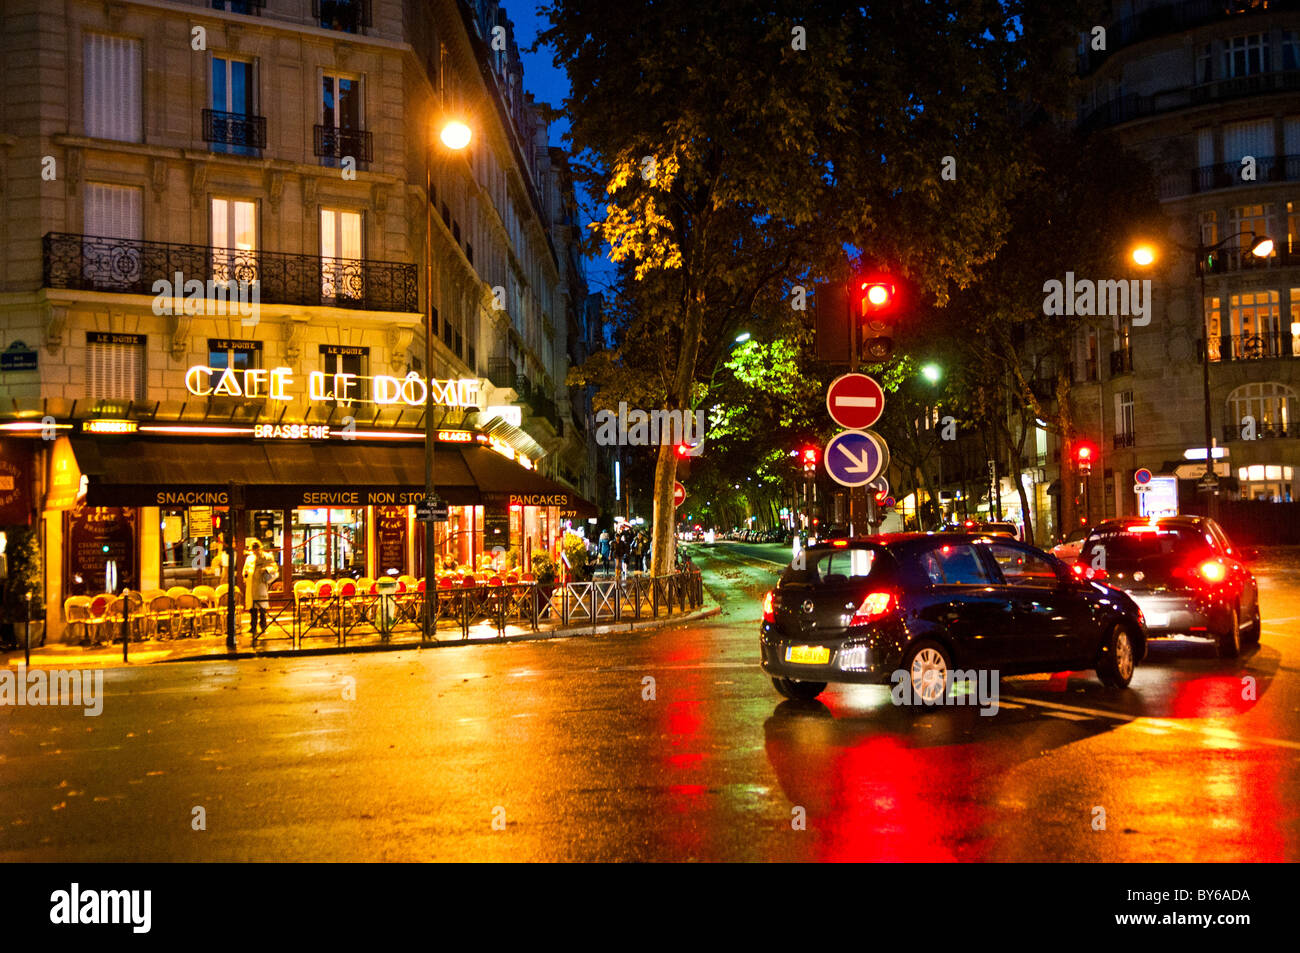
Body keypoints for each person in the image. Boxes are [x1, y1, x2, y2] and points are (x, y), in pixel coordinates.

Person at [241, 540, 278, 641]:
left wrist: (265, 570)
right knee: (252, 608)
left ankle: (263, 626)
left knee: (262, 607)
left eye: (256, 549)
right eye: (253, 550)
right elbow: (246, 568)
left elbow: (273, 568)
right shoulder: (249, 558)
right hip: (251, 584)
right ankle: (253, 627)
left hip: (261, 584)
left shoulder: (267, 557)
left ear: (260, 548)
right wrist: (245, 574)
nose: (255, 552)